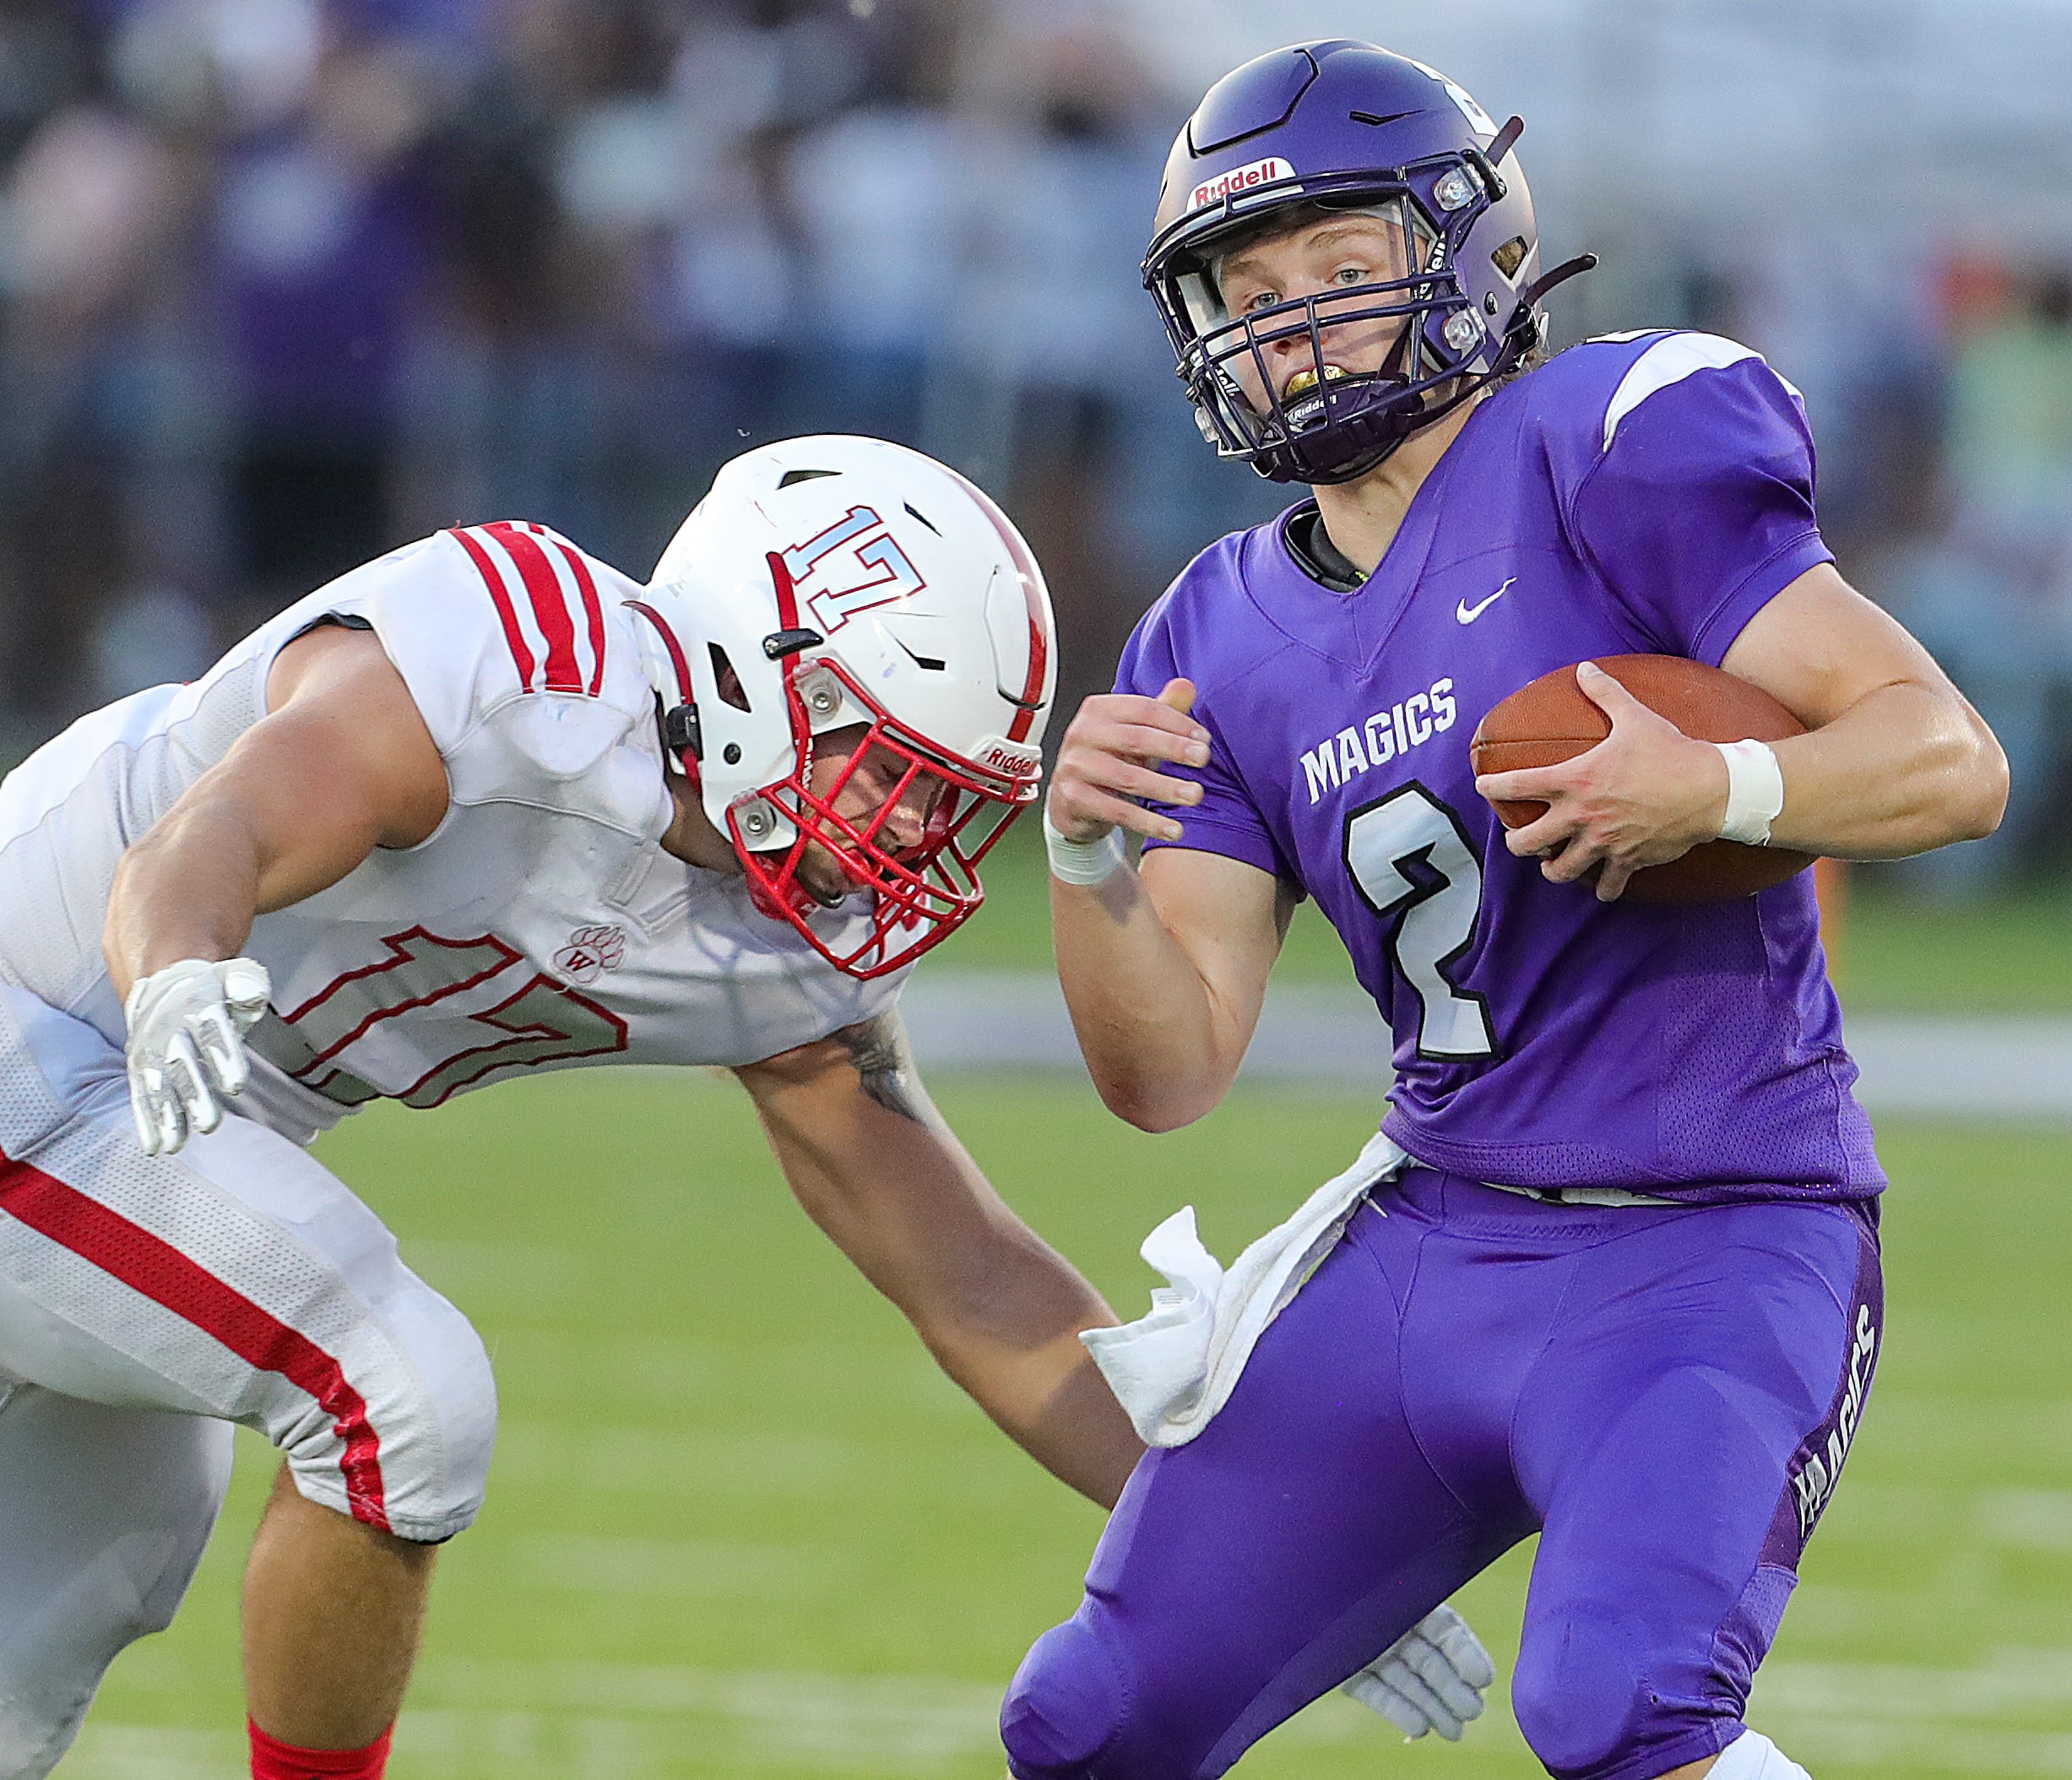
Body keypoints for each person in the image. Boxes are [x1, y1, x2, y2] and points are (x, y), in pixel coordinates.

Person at [0, 431, 1474, 1780]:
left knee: (66, 1624)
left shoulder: (791, 942)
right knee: (399, 1395)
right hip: (48, 1025)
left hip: (163, 1134)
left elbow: (973, 1281)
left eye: (945, 799)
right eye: (886, 767)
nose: (906, 833)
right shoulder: (522, 673)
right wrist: (177, 969)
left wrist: (1265, 1549)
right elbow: (222, 827)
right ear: (758, 666)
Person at [1011, 40, 2009, 1780]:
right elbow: (1169, 1069)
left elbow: (1948, 757)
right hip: (1435, 1239)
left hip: (1714, 1235)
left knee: (1625, 1707)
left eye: (1340, 268)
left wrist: (1720, 791)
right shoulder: (1210, 635)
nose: (1294, 323)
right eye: (1251, 289)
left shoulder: (1605, 443)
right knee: (1089, 1721)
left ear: (1463, 257)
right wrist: (1087, 864)